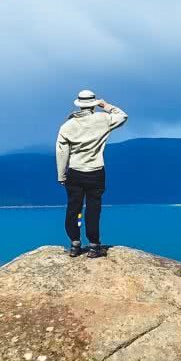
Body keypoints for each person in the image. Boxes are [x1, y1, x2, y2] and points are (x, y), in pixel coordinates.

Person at [56, 90, 127, 258]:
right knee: (93, 209)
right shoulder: (103, 119)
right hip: (96, 173)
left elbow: (61, 152)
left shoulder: (67, 126)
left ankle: (75, 243)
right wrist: (105, 105)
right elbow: (123, 116)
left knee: (74, 208)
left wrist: (61, 175)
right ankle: (94, 246)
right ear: (93, 104)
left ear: (78, 104)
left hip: (75, 172)